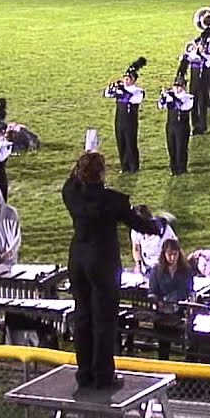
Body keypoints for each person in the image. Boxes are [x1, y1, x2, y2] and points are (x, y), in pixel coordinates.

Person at [63, 151, 162, 390]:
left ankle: (84, 372)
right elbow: (139, 224)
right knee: (104, 320)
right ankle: (103, 375)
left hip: (78, 259)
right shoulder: (113, 200)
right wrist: (156, 226)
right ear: (101, 173)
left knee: (83, 317)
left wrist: (81, 163)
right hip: (103, 262)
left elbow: (71, 180)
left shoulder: (72, 194)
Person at [147, 238, 192, 360]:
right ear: (164, 254)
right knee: (163, 332)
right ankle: (163, 359)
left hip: (179, 311)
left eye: (175, 254)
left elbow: (188, 290)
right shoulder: (157, 270)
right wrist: (157, 301)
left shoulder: (185, 270)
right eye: (169, 254)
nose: (172, 258)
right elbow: (152, 291)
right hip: (162, 312)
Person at [103, 57, 147, 174]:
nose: (125, 80)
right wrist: (112, 87)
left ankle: (133, 166)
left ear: (133, 80)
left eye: (128, 78)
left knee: (130, 143)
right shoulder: (121, 89)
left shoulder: (137, 91)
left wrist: (121, 89)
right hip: (119, 120)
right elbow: (107, 94)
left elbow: (132, 99)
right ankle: (124, 166)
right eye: (125, 78)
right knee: (121, 143)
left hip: (130, 121)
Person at [158, 60, 193, 176]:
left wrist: (172, 97)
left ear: (183, 87)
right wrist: (163, 97)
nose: (177, 88)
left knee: (181, 148)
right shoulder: (171, 96)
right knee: (171, 147)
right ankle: (173, 168)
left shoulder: (188, 97)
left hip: (182, 126)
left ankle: (182, 168)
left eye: (179, 86)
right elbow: (160, 106)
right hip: (170, 125)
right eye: (175, 86)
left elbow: (183, 106)